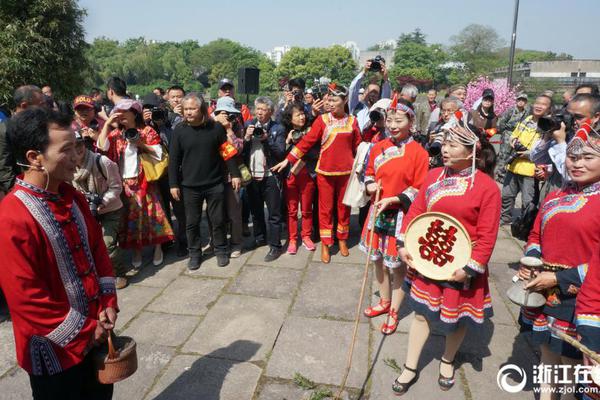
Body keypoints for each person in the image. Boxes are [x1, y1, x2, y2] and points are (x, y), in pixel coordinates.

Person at [0, 107, 118, 399]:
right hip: (54, 353)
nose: (78, 157)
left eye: (77, 146)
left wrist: (108, 300)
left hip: (97, 334)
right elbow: (26, 298)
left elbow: (97, 251)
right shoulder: (12, 216)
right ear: (34, 158)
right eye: (67, 149)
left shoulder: (72, 196)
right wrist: (84, 330)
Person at [392, 120, 500, 396]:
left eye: (453, 145)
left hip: (461, 265)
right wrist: (403, 243)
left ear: (472, 150)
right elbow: (416, 211)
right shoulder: (434, 175)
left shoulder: (487, 187)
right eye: (446, 144)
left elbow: (488, 235)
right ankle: (410, 365)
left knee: (457, 318)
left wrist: (471, 267)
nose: (446, 150)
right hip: (429, 258)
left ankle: (447, 361)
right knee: (421, 315)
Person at [519, 122, 600, 399]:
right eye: (573, 157)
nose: (577, 164)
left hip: (582, 297)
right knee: (547, 355)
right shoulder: (555, 195)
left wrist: (559, 278)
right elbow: (535, 233)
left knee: (575, 367)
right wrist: (530, 259)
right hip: (544, 289)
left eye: (588, 158)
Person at [361, 97, 429, 335]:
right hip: (377, 209)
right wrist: (369, 185)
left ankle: (395, 311)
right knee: (377, 258)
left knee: (397, 266)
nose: (392, 125)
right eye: (389, 120)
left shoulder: (419, 152)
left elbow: (419, 187)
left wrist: (396, 198)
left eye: (399, 120)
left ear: (411, 122)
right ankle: (384, 301)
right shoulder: (378, 145)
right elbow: (368, 172)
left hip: (401, 213)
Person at [272, 84, 361, 263]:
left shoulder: (353, 121)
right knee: (325, 209)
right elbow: (306, 142)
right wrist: (288, 160)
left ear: (344, 101)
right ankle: (326, 244)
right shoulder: (322, 120)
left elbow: (358, 146)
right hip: (325, 172)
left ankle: (342, 239)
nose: (330, 103)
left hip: (346, 172)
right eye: (329, 100)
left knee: (344, 208)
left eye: (335, 100)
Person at [97, 99, 174, 268]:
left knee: (152, 215)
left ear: (134, 113)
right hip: (124, 183)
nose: (122, 115)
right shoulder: (116, 134)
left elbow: (159, 153)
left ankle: (157, 248)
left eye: (126, 111)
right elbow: (102, 147)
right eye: (119, 112)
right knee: (131, 220)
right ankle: (137, 250)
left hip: (145, 180)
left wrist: (140, 143)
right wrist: (108, 123)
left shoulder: (146, 131)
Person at [169, 93, 242, 270]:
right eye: (186, 109)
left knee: (217, 220)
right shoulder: (179, 130)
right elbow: (173, 159)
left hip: (214, 183)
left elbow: (227, 152)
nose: (188, 112)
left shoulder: (215, 128)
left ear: (201, 109)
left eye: (192, 108)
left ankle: (221, 250)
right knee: (192, 222)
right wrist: (173, 184)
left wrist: (235, 174)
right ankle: (195, 253)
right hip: (189, 186)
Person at [72, 131, 126, 289]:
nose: (78, 148)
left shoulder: (102, 161)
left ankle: (119, 273)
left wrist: (103, 201)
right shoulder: (68, 167)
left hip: (110, 209)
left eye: (80, 144)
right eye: (73, 146)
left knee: (107, 243)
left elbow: (116, 187)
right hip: (86, 212)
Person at [142, 93, 188, 257]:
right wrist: (147, 124)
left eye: (155, 109)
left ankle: (183, 241)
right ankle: (167, 240)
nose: (153, 113)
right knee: (163, 210)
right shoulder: (145, 125)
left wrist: (163, 125)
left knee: (180, 210)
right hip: (156, 174)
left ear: (162, 106)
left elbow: (177, 143)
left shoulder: (174, 119)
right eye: (147, 109)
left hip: (175, 172)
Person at [244, 96, 287, 261]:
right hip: (253, 174)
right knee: (255, 211)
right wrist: (247, 138)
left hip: (270, 175)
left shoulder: (278, 128)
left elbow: (280, 152)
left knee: (274, 213)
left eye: (263, 109)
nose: (259, 112)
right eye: (258, 109)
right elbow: (242, 151)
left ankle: (275, 246)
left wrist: (266, 139)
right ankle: (260, 237)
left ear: (271, 111)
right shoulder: (249, 124)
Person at [530, 93, 600, 194]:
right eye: (569, 115)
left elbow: (572, 175)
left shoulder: (595, 142)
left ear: (596, 117)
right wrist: (547, 136)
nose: (572, 121)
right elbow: (536, 159)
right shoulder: (566, 133)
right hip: (553, 193)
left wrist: (561, 143)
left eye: (579, 117)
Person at [500, 94, 552, 225]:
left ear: (549, 109)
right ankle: (504, 218)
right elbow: (514, 134)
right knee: (506, 195)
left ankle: (525, 224)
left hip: (530, 169)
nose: (539, 106)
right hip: (514, 165)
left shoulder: (548, 126)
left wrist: (528, 154)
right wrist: (513, 141)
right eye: (537, 102)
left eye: (543, 104)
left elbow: (547, 148)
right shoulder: (527, 119)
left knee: (528, 201)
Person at [281, 102, 318, 254]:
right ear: (290, 119)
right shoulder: (284, 131)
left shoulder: (311, 130)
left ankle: (307, 236)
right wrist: (288, 141)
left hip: (308, 175)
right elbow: (279, 153)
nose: (302, 117)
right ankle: (292, 239)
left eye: (303, 113)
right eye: (298, 115)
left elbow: (316, 151)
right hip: (291, 175)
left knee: (307, 209)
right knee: (292, 210)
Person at [213, 96, 245, 259]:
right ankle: (218, 243)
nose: (228, 117)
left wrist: (228, 129)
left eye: (231, 113)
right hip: (213, 176)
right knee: (216, 214)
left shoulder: (236, 125)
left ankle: (236, 243)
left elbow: (238, 148)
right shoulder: (209, 125)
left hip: (232, 176)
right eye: (224, 113)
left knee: (234, 212)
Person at [348, 59, 392, 131]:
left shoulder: (380, 109)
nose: (373, 94)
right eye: (370, 91)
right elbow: (353, 89)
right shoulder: (355, 107)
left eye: (375, 92)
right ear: (364, 93)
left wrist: (385, 78)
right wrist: (364, 72)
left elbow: (386, 97)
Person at [495, 92, 530, 182]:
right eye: (519, 100)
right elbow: (502, 122)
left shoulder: (526, 113)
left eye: (523, 100)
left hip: (517, 135)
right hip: (508, 133)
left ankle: (506, 172)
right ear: (516, 100)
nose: (521, 102)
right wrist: (504, 132)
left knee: (512, 154)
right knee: (504, 154)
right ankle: (500, 174)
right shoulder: (511, 110)